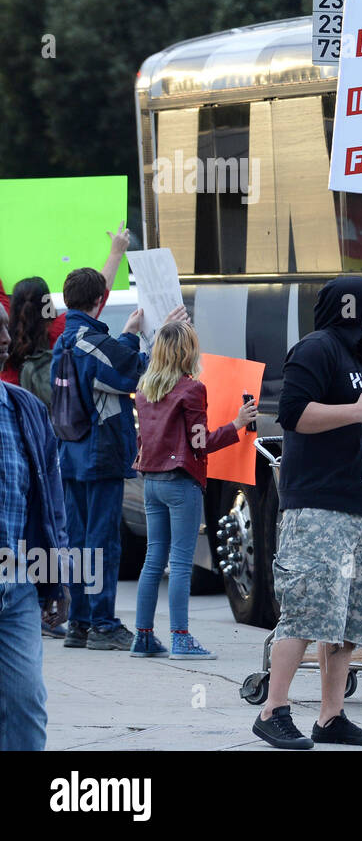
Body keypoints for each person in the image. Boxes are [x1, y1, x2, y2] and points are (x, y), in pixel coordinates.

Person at [254, 275, 362, 750]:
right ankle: (274, 709)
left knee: (352, 615)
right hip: (318, 506)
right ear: (351, 307)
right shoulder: (316, 350)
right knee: (308, 607)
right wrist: (354, 411)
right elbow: (292, 414)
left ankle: (331, 716)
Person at [50, 266, 186, 652]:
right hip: (98, 452)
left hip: (71, 454)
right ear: (99, 301)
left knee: (77, 540)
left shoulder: (66, 338)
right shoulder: (88, 341)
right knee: (101, 542)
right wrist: (161, 335)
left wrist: (127, 333)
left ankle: (79, 622)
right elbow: (132, 372)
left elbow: (109, 363)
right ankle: (103, 624)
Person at [131, 321, 257, 660]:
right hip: (180, 482)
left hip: (151, 482)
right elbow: (200, 444)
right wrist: (237, 424)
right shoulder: (191, 389)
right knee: (182, 562)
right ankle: (181, 639)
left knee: (153, 559)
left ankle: (142, 638)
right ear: (187, 351)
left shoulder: (145, 388)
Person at [0, 302, 70, 751]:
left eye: (6, 329)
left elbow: (51, 506)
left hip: (16, 582)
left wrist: (56, 580)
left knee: (26, 703)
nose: (6, 339)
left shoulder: (24, 408)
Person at [0, 221, 129, 386]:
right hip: (55, 410)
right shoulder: (65, 329)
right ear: (47, 302)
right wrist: (116, 253)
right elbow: (96, 294)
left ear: (12, 304)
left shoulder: (4, 336)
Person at [6, 277, 56, 409]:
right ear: (48, 304)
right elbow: (89, 302)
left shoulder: (4, 339)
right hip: (51, 420)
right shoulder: (62, 330)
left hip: (13, 415)